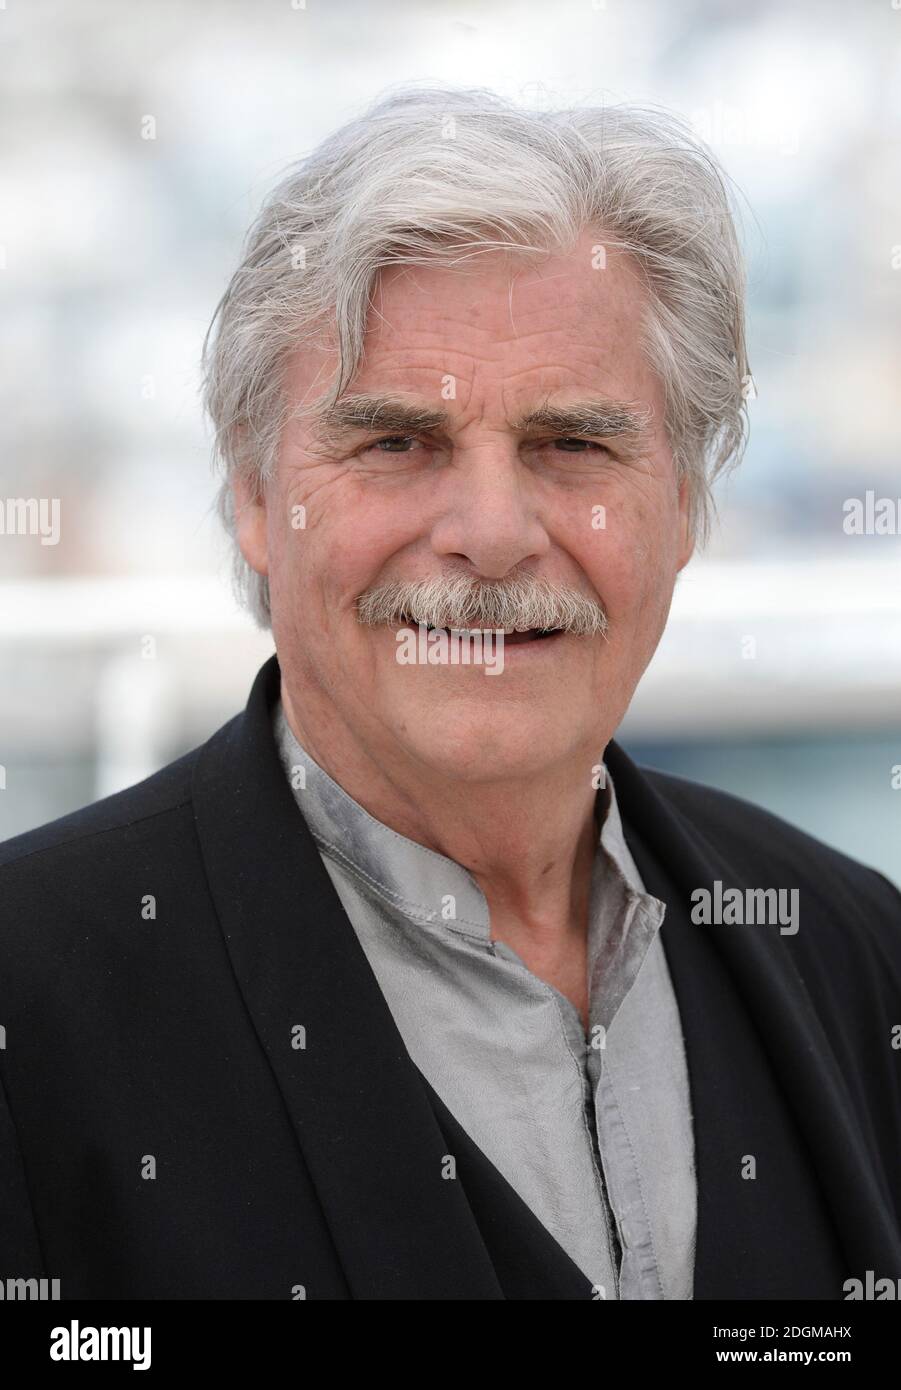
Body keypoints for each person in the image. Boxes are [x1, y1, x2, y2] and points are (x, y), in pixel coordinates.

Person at [1, 87, 899, 1301]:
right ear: (258, 499)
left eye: (572, 444)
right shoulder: (34, 999)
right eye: (395, 444)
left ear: (683, 504)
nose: (489, 533)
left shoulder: (852, 950)